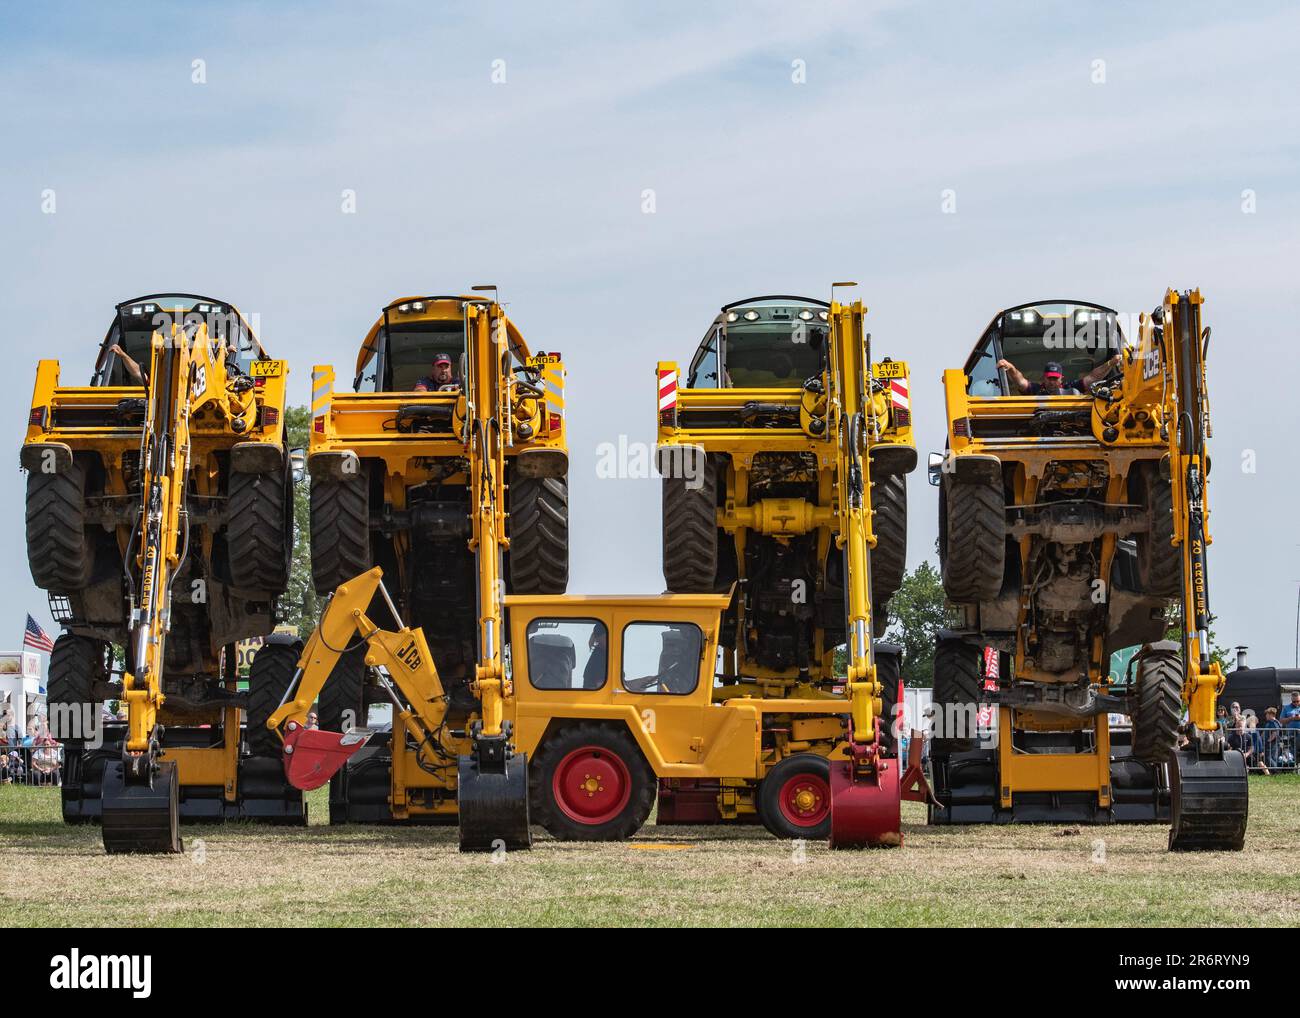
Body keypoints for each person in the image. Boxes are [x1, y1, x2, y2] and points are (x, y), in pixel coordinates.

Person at [997, 354, 1122, 396]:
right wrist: (1011, 368)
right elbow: (1020, 381)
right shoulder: (1035, 389)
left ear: (1061, 379)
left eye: (1055, 378)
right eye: (1049, 378)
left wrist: (1110, 363)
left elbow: (1093, 378)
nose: (1052, 381)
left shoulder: (1071, 388)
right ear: (1043, 378)